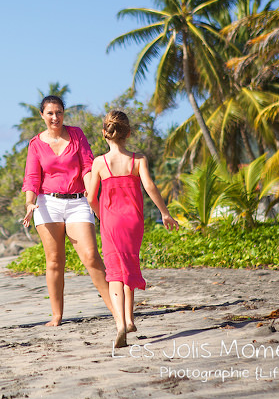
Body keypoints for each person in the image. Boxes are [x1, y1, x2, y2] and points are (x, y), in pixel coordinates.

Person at [87, 110, 178, 348]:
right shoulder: (138, 160)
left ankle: (120, 324)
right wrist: (164, 213)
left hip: (111, 221)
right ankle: (129, 320)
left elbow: (90, 197)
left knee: (115, 271)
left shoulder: (99, 162)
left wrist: (101, 214)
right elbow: (150, 187)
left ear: (105, 133)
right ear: (128, 133)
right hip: (134, 221)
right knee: (129, 264)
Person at [21, 95, 114, 326]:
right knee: (54, 261)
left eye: (59, 112)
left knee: (91, 256)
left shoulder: (76, 134)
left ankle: (116, 309)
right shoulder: (35, 144)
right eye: (50, 113)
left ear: (64, 113)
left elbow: (87, 166)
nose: (55, 117)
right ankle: (56, 315)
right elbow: (32, 179)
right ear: (42, 115)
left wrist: (93, 195)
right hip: (47, 204)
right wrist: (29, 204)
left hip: (77, 201)